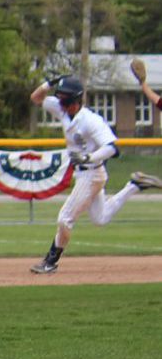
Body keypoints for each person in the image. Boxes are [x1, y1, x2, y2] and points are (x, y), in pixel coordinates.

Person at [28, 73, 160, 274]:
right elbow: (36, 98)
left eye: (64, 100)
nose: (60, 103)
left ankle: (50, 261)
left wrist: (90, 158)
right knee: (100, 219)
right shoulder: (63, 111)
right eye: (60, 99)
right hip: (85, 174)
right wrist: (50, 82)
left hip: (91, 173)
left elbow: (112, 148)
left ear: (75, 101)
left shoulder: (91, 120)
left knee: (65, 218)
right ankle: (134, 185)